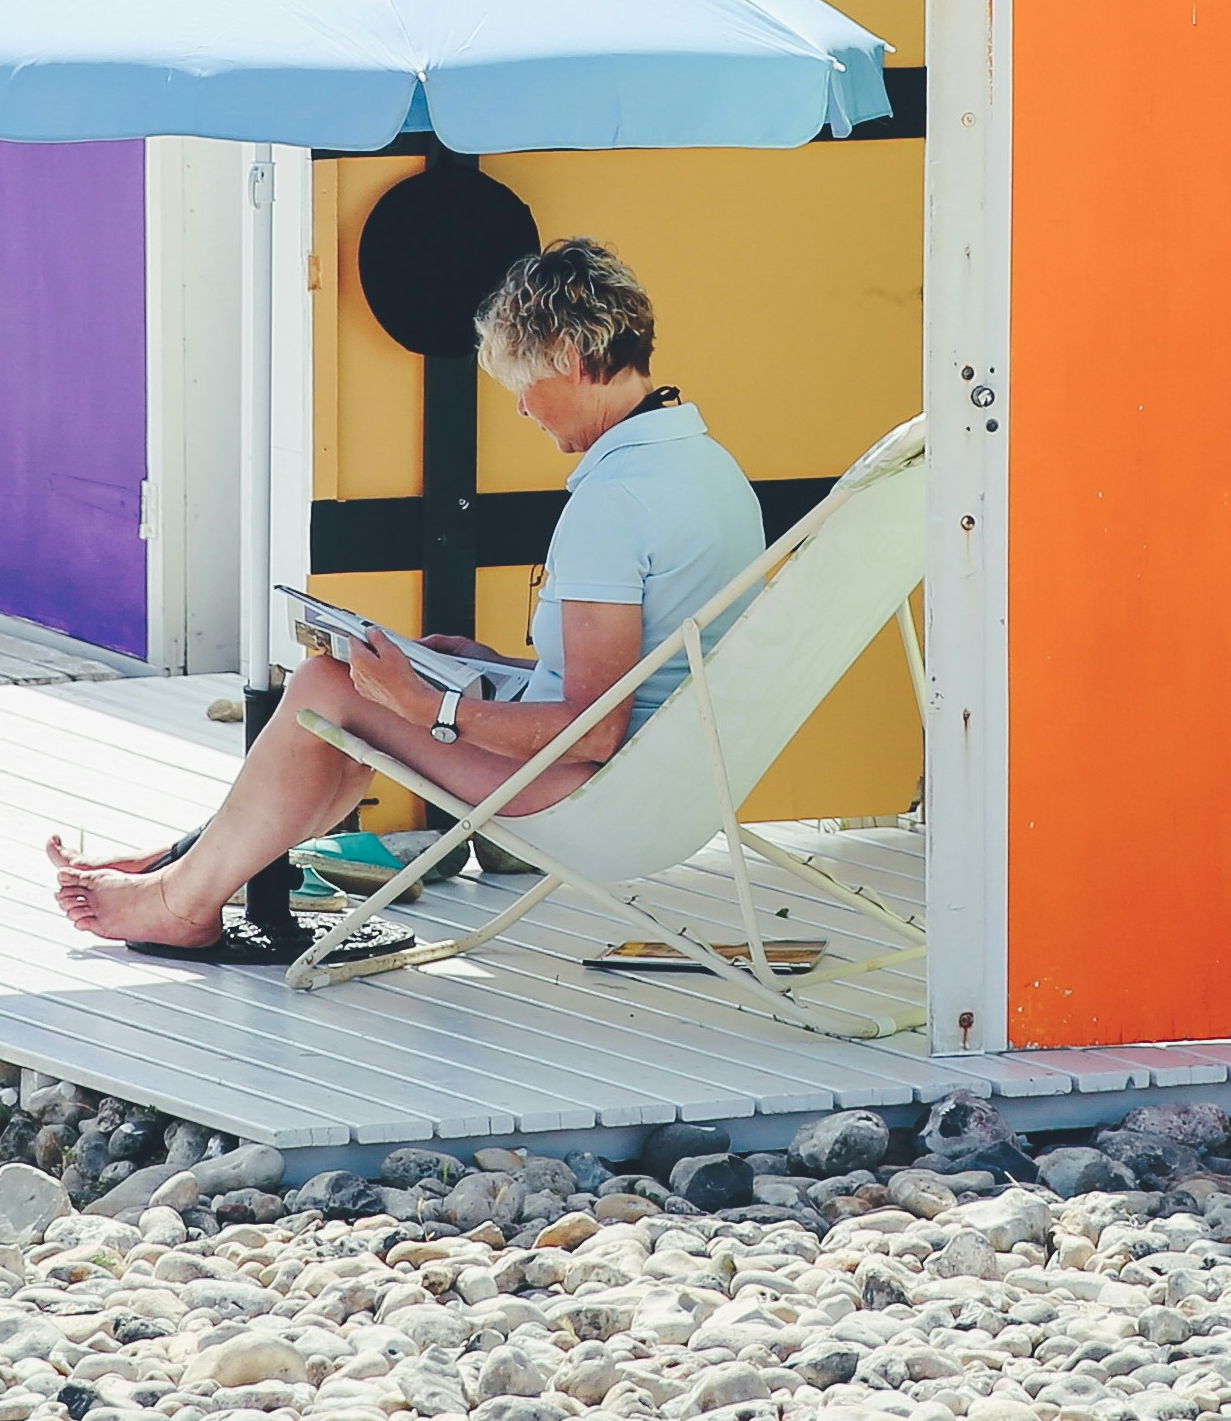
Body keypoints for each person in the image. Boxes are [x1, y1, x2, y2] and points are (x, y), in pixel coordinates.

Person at [49, 235, 768, 958]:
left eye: (524, 383)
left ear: (574, 364)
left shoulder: (615, 503)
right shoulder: (705, 467)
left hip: (600, 798)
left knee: (334, 684)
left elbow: (595, 731)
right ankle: (194, 866)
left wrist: (434, 707)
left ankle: (184, 896)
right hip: (673, 780)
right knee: (380, 673)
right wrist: (493, 667)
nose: (521, 409)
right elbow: (643, 675)